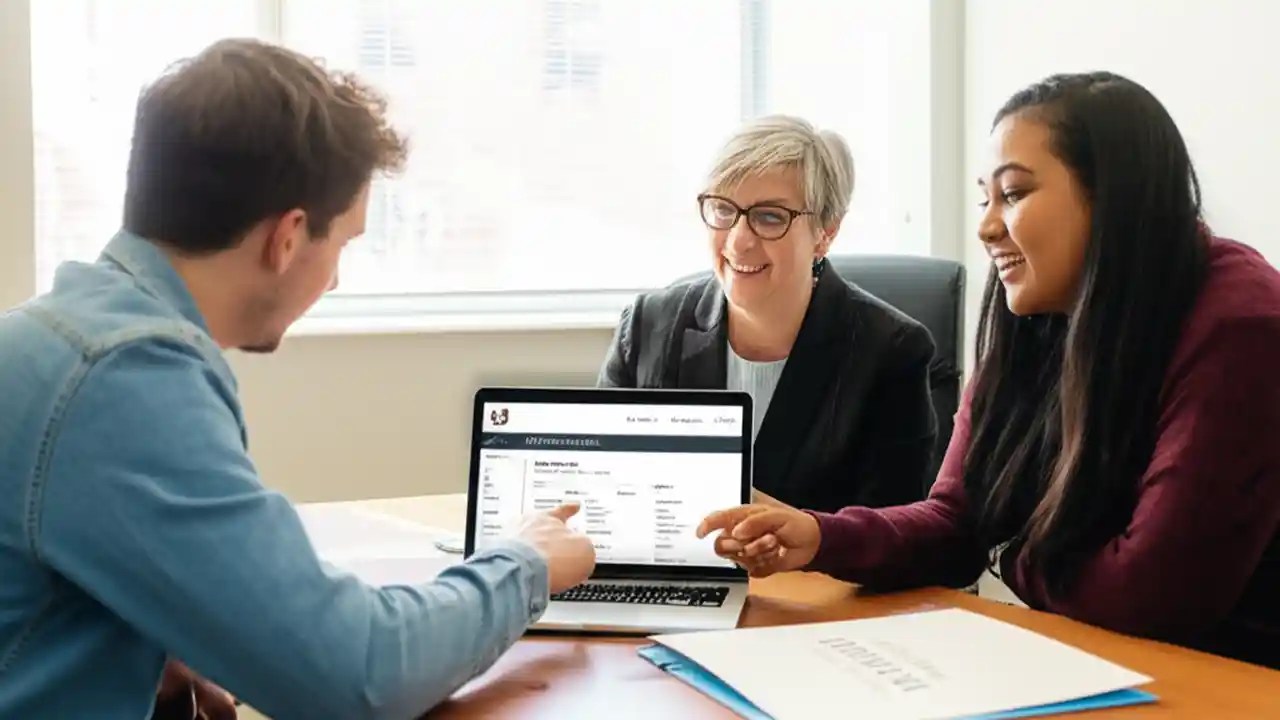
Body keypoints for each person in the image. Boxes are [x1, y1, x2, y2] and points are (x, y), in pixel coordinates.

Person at [0, 39, 596, 719]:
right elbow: (355, 675)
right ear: (286, 238)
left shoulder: (57, 338)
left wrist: (147, 642)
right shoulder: (126, 379)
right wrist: (525, 563)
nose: (336, 277)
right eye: (342, 243)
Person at [697, 72, 1280, 668]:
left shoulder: (1243, 326)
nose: (986, 226)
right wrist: (818, 536)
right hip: (1098, 661)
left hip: (1231, 679)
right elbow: (954, 523)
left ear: (1113, 198)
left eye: (1015, 194)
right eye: (986, 199)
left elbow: (1150, 596)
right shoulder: (1037, 307)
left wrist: (1005, 545)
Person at [599, 115, 939, 513]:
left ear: (826, 232)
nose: (739, 242)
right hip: (679, 569)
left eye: (770, 217)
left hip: (815, 576)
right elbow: (605, 494)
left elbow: (889, 540)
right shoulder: (646, 329)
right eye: (723, 210)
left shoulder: (891, 353)